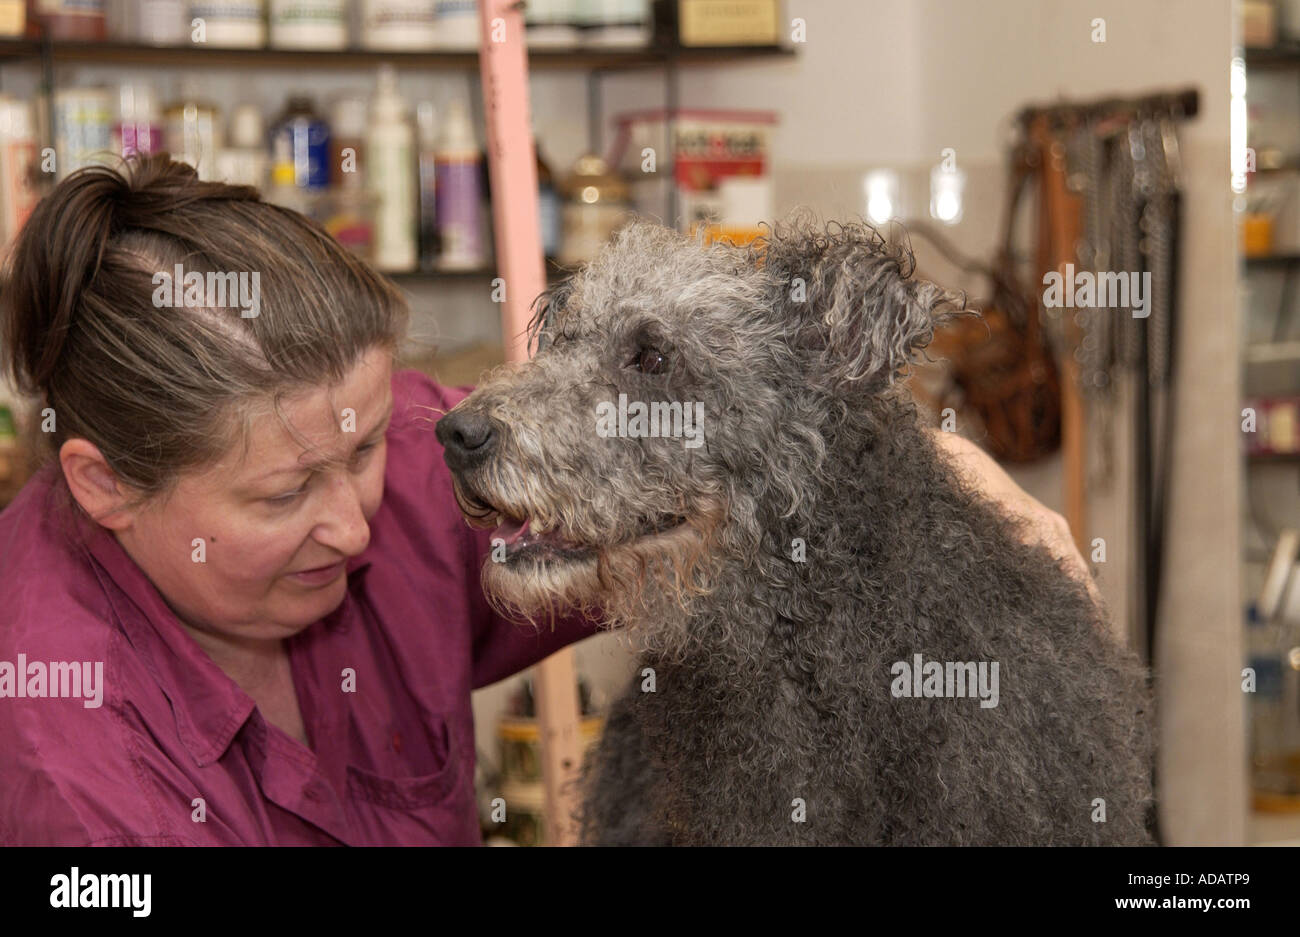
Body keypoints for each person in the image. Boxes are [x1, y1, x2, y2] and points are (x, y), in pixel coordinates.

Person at [0, 155, 1092, 845]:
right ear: (104, 485)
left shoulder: (408, 469)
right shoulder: (62, 764)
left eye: (374, 441)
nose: (357, 517)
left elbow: (728, 488)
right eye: (286, 493)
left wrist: (959, 477)